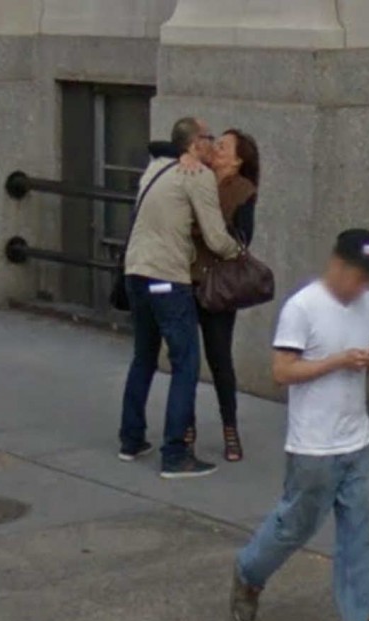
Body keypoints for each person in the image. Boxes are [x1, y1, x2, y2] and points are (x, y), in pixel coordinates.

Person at [229, 229, 369, 621]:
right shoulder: (302, 307)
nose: (366, 286)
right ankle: (249, 573)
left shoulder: (367, 304)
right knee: (295, 525)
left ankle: (365, 620)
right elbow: (282, 372)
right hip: (313, 445)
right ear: (339, 265)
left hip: (356, 437)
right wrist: (338, 361)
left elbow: (364, 362)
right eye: (361, 276)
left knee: (360, 532)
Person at [118, 117, 242, 479]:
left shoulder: (154, 169)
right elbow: (216, 238)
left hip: (135, 274)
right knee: (186, 361)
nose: (212, 144)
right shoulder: (196, 177)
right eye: (208, 138)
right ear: (194, 144)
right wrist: (240, 254)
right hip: (168, 279)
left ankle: (131, 439)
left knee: (143, 357)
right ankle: (175, 454)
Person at [153, 130, 261, 462]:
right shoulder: (196, 175)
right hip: (184, 278)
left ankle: (230, 427)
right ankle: (187, 426)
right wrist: (184, 154)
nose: (215, 150)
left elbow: (242, 239)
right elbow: (155, 147)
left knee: (219, 358)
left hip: (217, 284)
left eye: (223, 147)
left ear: (237, 160)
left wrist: (210, 228)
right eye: (215, 144)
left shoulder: (242, 191)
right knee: (184, 357)